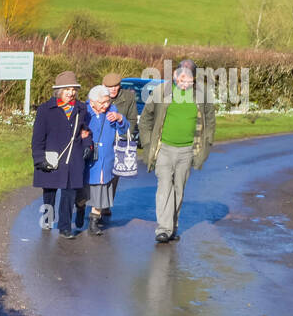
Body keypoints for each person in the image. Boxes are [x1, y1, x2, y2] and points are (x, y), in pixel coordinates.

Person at [138, 58, 216, 243]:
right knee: (165, 187)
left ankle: (172, 226)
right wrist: (148, 143)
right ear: (175, 75)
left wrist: (206, 144)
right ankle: (163, 229)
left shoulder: (202, 95)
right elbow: (146, 119)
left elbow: (210, 122)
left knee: (178, 190)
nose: (184, 81)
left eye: (188, 78)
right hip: (163, 148)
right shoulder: (161, 91)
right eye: (181, 76)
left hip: (187, 150)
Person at [31, 71, 93, 239]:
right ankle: (47, 219)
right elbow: (38, 138)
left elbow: (85, 131)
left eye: (73, 89)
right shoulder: (45, 110)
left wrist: (88, 145)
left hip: (73, 159)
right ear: (58, 91)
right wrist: (39, 159)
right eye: (67, 89)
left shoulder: (81, 109)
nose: (71, 93)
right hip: (52, 158)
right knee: (49, 192)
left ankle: (65, 228)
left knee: (69, 193)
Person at [79, 84, 127, 236]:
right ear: (92, 102)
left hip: (105, 157)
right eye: (102, 102)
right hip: (86, 156)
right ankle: (80, 208)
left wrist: (120, 119)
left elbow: (124, 129)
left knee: (101, 186)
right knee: (82, 189)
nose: (106, 105)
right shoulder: (84, 112)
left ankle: (94, 220)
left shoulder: (112, 111)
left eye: (108, 101)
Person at [100, 71, 138, 220]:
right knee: (99, 173)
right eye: (110, 87)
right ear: (103, 86)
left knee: (114, 175)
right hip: (101, 140)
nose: (113, 89)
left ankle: (106, 204)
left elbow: (133, 119)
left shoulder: (128, 97)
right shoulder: (97, 95)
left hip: (118, 141)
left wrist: (124, 133)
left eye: (116, 86)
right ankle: (95, 202)